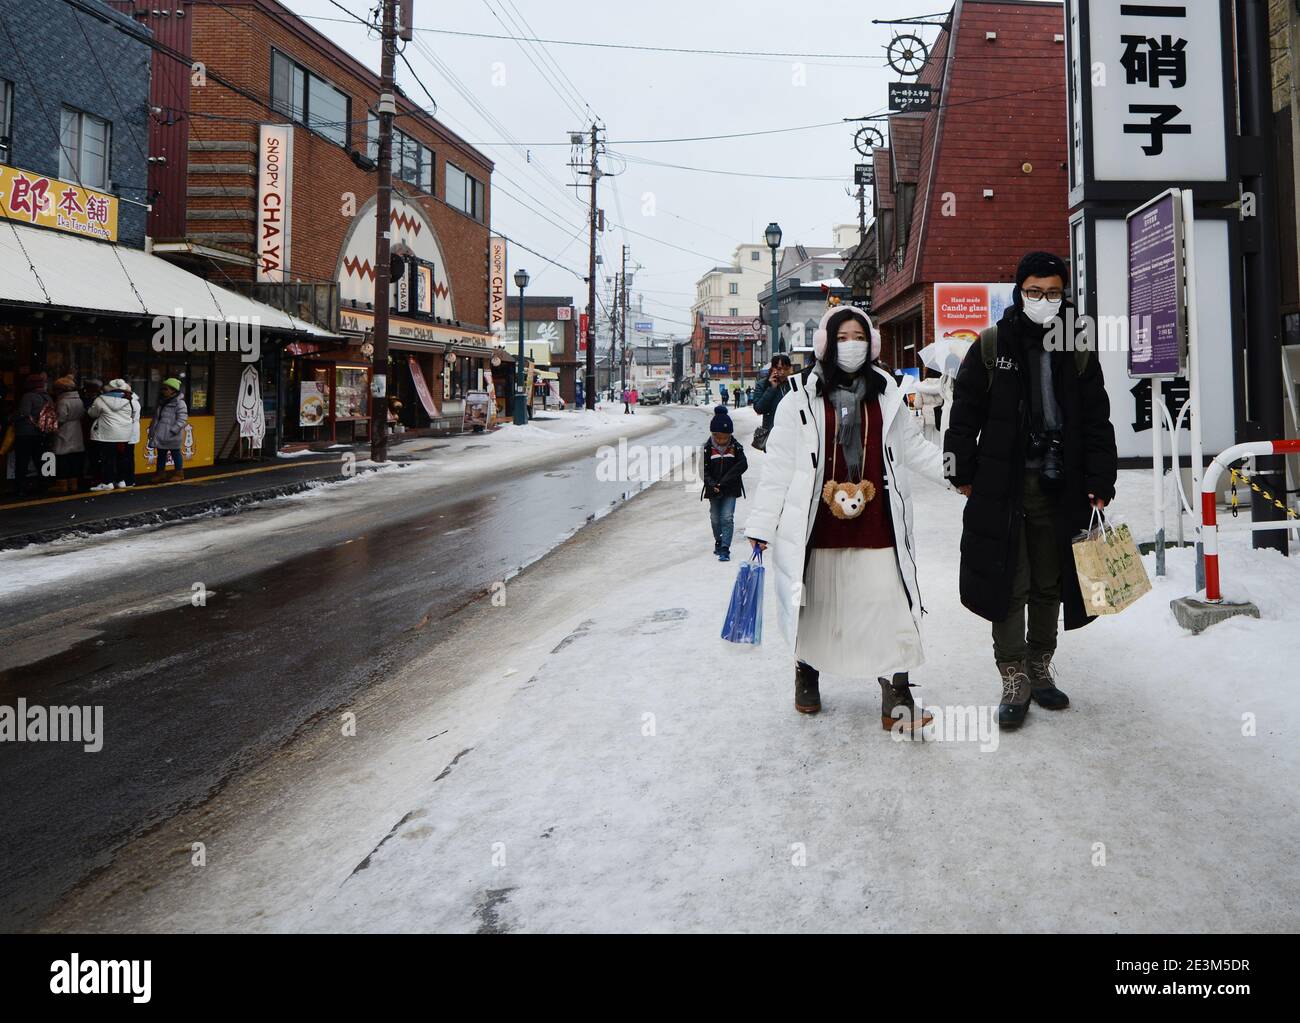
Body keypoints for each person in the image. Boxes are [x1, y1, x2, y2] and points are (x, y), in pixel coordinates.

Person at [746, 304, 948, 729]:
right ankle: (807, 671)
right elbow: (780, 467)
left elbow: (913, 450)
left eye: (859, 337)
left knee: (890, 606)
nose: (851, 345)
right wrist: (762, 525)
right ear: (825, 343)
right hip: (817, 526)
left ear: (871, 343)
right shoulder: (800, 393)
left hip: (879, 522)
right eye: (842, 337)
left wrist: (960, 474)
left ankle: (898, 698)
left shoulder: (888, 390)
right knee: (818, 608)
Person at [944, 251, 1118, 730]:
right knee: (1008, 580)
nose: (1044, 300)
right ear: (1020, 291)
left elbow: (1096, 419)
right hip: (1004, 485)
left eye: (1054, 292)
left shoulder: (1077, 343)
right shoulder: (992, 343)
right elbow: (963, 416)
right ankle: (1013, 675)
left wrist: (1102, 479)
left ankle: (1041, 665)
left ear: (1065, 294)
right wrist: (960, 471)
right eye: (1035, 291)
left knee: (1051, 580)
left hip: (1061, 486)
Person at [700, 405, 748, 562]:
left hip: (730, 489)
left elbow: (742, 465)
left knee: (727, 517)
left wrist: (725, 481)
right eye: (718, 437)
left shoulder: (735, 447)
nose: (722, 441)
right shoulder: (708, 448)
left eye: (725, 437)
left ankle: (725, 548)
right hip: (713, 489)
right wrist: (711, 483)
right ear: (713, 434)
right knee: (715, 518)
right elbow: (703, 470)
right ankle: (718, 541)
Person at [87, 378, 139, 491]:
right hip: (124, 435)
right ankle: (121, 481)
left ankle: (107, 482)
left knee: (107, 459)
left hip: (106, 434)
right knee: (122, 457)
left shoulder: (100, 399)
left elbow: (92, 413)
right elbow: (134, 415)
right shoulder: (131, 400)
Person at [10, 372, 53, 498]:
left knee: (22, 461)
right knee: (42, 460)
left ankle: (20, 488)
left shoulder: (28, 396)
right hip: (42, 433)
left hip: (26, 433)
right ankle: (44, 485)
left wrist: (10, 418)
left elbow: (23, 413)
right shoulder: (47, 397)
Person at [148, 377, 189, 483]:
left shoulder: (180, 403)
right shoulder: (162, 402)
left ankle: (179, 474)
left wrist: (173, 430)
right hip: (161, 434)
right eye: (163, 389)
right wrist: (153, 430)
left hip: (172, 435)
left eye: (166, 389)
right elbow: (157, 418)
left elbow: (182, 419)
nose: (163, 391)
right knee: (161, 454)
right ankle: (160, 473)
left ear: (173, 390)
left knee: (176, 453)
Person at [51, 376, 85, 494]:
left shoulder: (62, 401)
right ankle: (73, 483)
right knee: (73, 458)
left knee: (62, 458)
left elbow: (61, 418)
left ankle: (62, 484)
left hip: (64, 430)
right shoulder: (78, 399)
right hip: (76, 429)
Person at [752, 354, 794, 436]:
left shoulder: (794, 383)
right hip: (772, 433)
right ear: (772, 369)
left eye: (786, 369)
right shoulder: (762, 384)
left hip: (792, 431)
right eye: (779, 369)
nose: (782, 372)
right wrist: (772, 388)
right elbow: (759, 409)